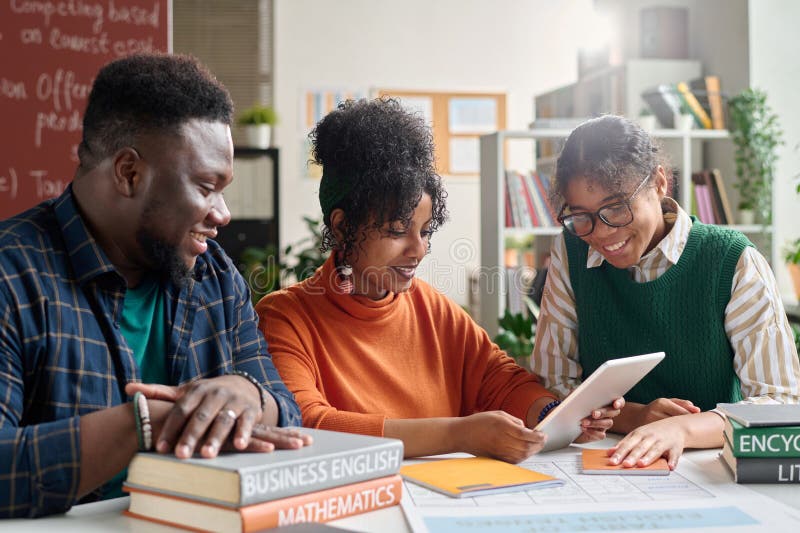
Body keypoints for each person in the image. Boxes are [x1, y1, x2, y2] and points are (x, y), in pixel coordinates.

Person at [0, 53, 309, 518]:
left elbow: (283, 410)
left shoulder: (216, 277)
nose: (223, 214)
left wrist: (246, 395)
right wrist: (145, 425)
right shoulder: (12, 273)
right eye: (206, 187)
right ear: (129, 174)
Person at [255, 97, 622, 464]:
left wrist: (554, 416)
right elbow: (306, 422)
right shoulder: (285, 318)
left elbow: (503, 382)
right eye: (398, 231)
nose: (418, 249)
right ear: (342, 226)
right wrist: (457, 434)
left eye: (426, 231)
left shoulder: (432, 309)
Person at [531, 115, 800, 469]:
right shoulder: (572, 250)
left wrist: (683, 429)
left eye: (616, 207)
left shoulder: (732, 262)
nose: (601, 233)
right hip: (602, 460)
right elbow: (551, 386)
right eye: (582, 215)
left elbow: (780, 403)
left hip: (706, 465)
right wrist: (638, 417)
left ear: (659, 183)